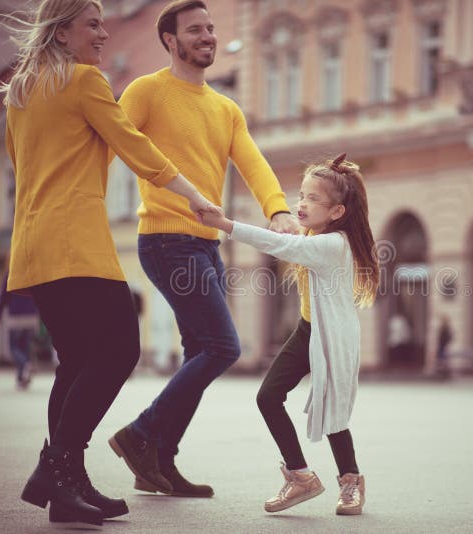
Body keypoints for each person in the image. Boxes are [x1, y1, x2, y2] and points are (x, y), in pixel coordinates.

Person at [0, 0, 219, 526]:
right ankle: (55, 470)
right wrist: (195, 196)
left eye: (103, 22)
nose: (103, 34)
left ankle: (67, 488)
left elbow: (18, 163)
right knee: (121, 349)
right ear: (62, 31)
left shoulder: (21, 94)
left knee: (75, 362)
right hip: (77, 243)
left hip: (33, 244)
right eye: (92, 24)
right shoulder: (83, 82)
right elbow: (136, 148)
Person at [108, 0, 299, 499]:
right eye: (196, 30)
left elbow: (252, 162)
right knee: (222, 347)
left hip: (206, 243)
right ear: (170, 40)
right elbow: (110, 140)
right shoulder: (147, 91)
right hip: (166, 239)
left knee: (201, 349)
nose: (208, 36)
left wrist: (277, 208)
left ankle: (158, 461)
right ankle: (140, 433)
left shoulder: (225, 108)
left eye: (211, 28)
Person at [202, 153, 378, 515]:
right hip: (307, 331)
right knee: (268, 397)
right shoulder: (315, 234)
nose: (302, 203)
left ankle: (351, 482)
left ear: (337, 213)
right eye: (302, 195)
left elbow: (286, 246)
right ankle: (300, 476)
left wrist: (227, 224)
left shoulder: (333, 244)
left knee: (334, 414)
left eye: (314, 198)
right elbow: (292, 239)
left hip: (335, 338)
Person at [0, 274, 37, 388]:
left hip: (16, 316)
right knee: (24, 348)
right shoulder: (31, 270)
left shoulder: (12, 272)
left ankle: (25, 364)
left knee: (13, 347)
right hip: (31, 316)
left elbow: (3, 296)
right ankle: (21, 379)